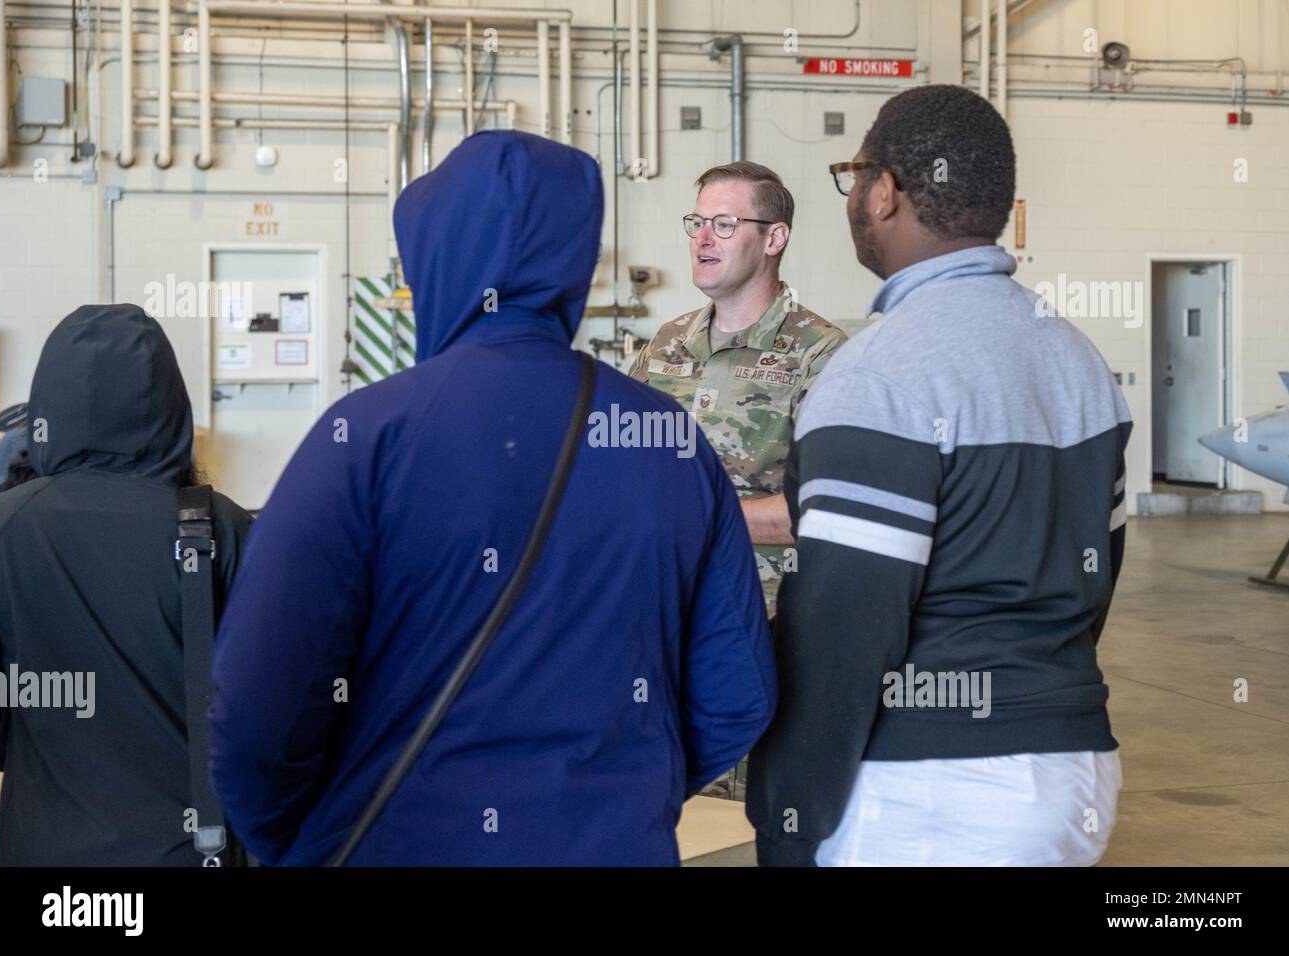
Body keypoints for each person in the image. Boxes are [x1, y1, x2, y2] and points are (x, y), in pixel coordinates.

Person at [210, 131, 776, 867]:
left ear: (435, 255)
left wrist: (298, 837)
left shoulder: (365, 437)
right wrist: (623, 795)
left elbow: (257, 710)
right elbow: (739, 695)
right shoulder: (666, 439)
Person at [747, 85, 1132, 866]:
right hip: (1071, 774)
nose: (855, 195)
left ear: (884, 192)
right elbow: (1094, 585)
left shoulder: (877, 375)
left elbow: (844, 636)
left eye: (854, 176)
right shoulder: (1078, 361)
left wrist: (787, 818)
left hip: (929, 793)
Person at [0, 304, 253, 865]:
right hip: (194, 852)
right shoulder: (226, 529)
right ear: (170, 407)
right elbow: (267, 713)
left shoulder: (2, 528)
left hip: (46, 859)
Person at [628, 161, 846, 618]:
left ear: (774, 239)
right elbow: (620, 465)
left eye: (724, 225)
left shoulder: (819, 353)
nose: (702, 239)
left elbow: (821, 508)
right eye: (697, 223)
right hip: (661, 604)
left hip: (763, 617)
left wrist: (692, 516)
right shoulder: (668, 340)